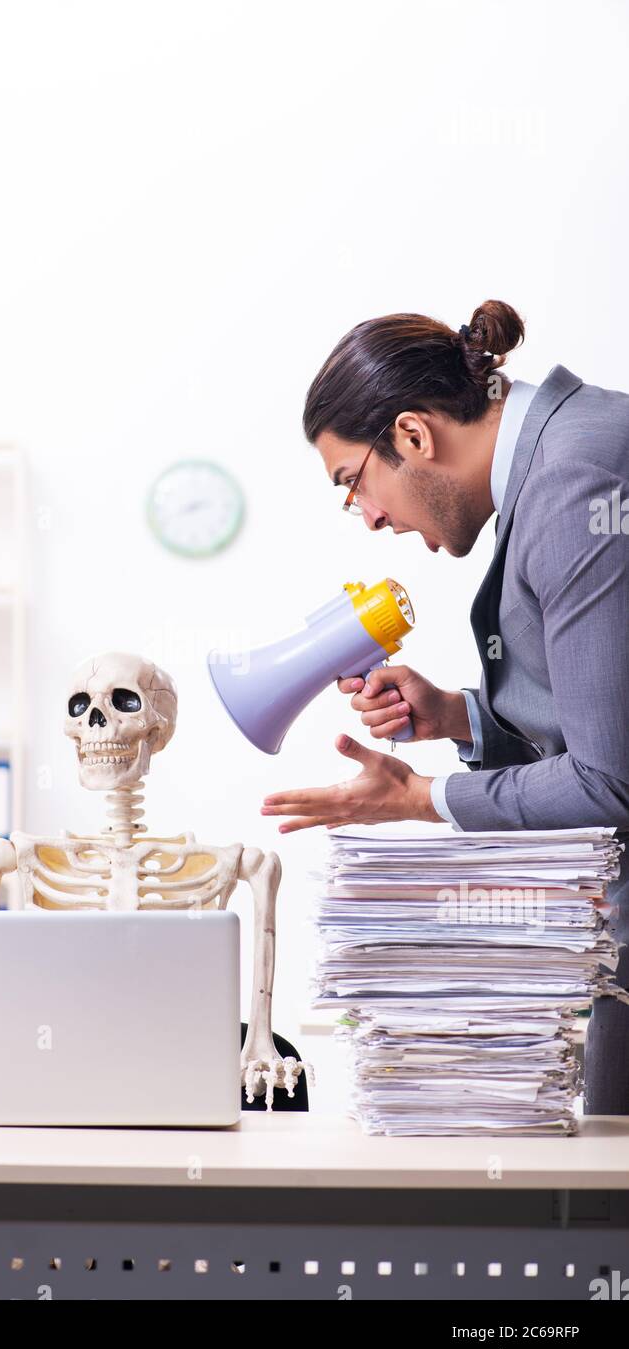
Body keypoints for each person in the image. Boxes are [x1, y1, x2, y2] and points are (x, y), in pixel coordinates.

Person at [261, 300, 629, 1114]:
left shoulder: (573, 483)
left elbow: (609, 780)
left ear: (413, 435)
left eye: (353, 483)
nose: (370, 517)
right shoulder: (571, 453)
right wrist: (459, 717)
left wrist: (417, 798)